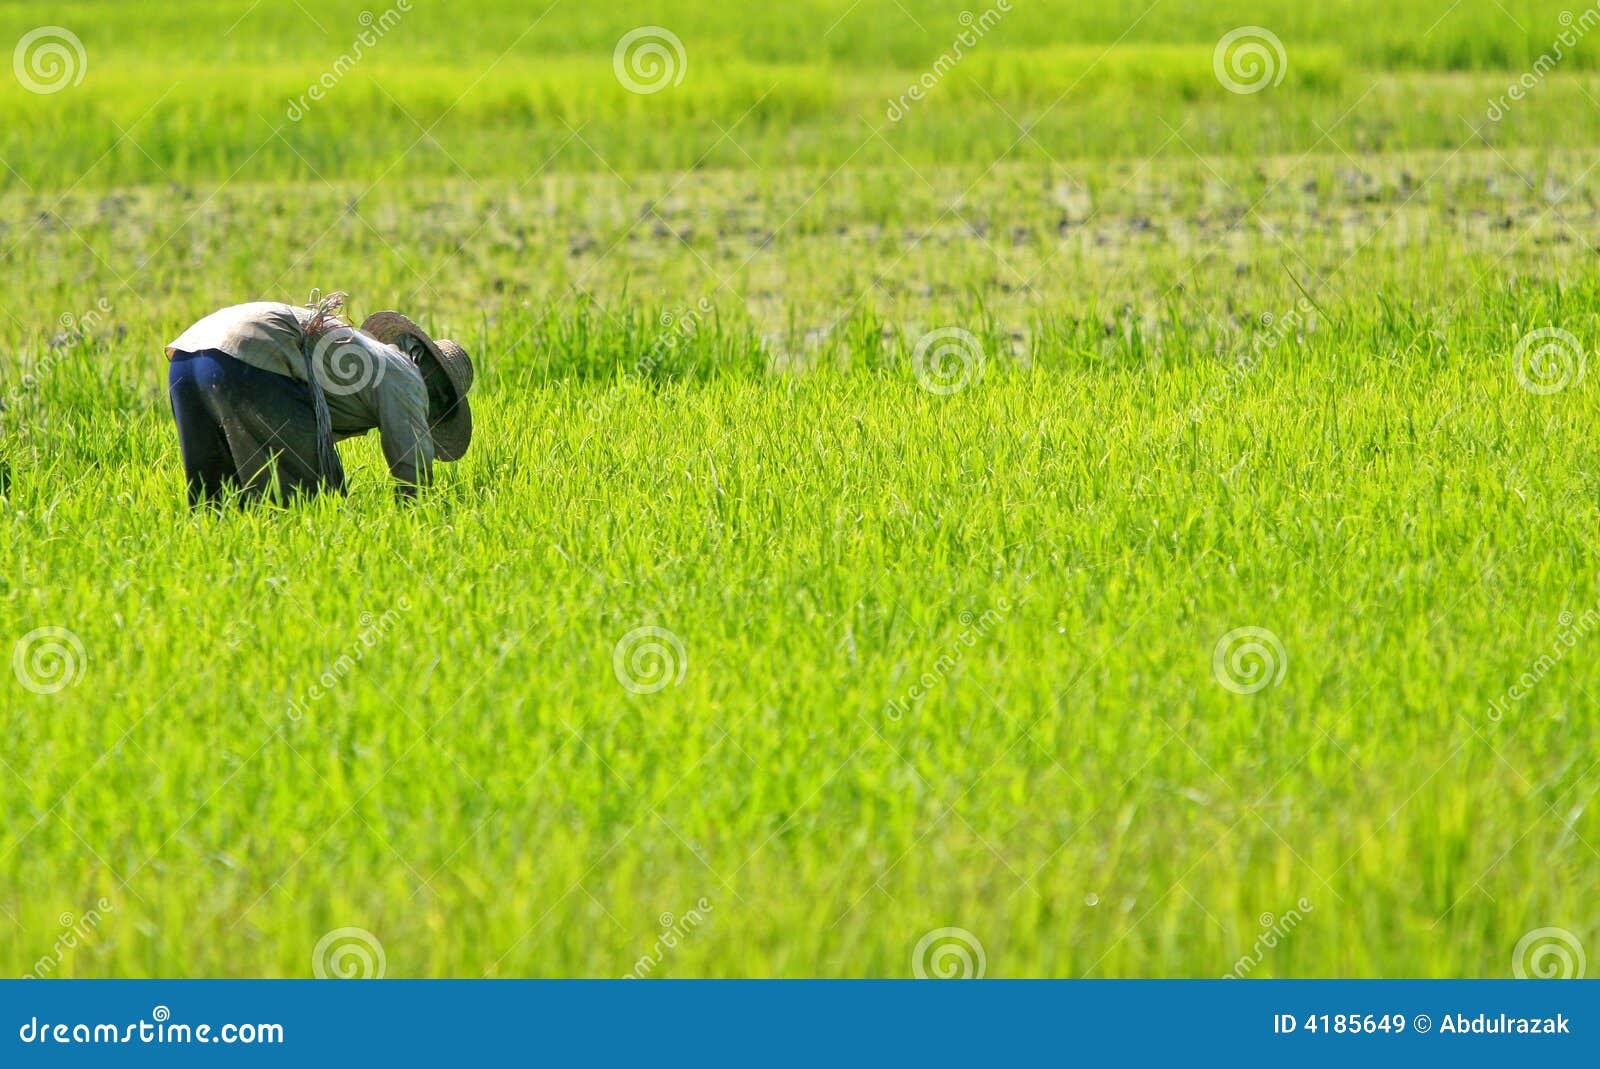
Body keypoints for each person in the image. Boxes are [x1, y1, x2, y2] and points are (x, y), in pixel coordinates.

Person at [164, 296, 474, 505]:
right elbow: (412, 464)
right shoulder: (405, 375)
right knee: (310, 509)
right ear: (438, 386)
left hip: (189, 357)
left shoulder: (367, 357)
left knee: (218, 507)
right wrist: (418, 521)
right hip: (252, 360)